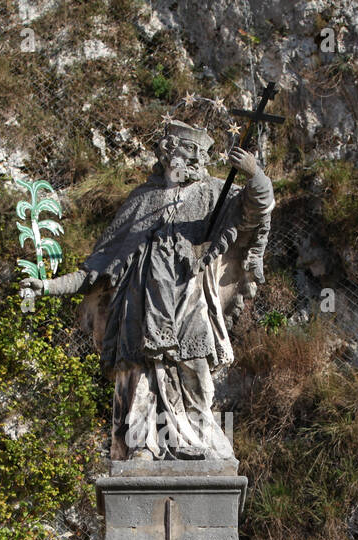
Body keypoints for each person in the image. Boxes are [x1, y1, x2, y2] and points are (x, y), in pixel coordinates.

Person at [21, 120, 273, 461]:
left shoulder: (215, 193)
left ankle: (199, 441)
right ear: (166, 155)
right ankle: (143, 446)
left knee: (196, 372)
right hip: (140, 308)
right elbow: (97, 267)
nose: (188, 160)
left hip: (189, 302)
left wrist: (255, 174)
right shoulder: (141, 201)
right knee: (139, 376)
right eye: (181, 152)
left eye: (194, 154)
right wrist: (48, 286)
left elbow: (257, 208)